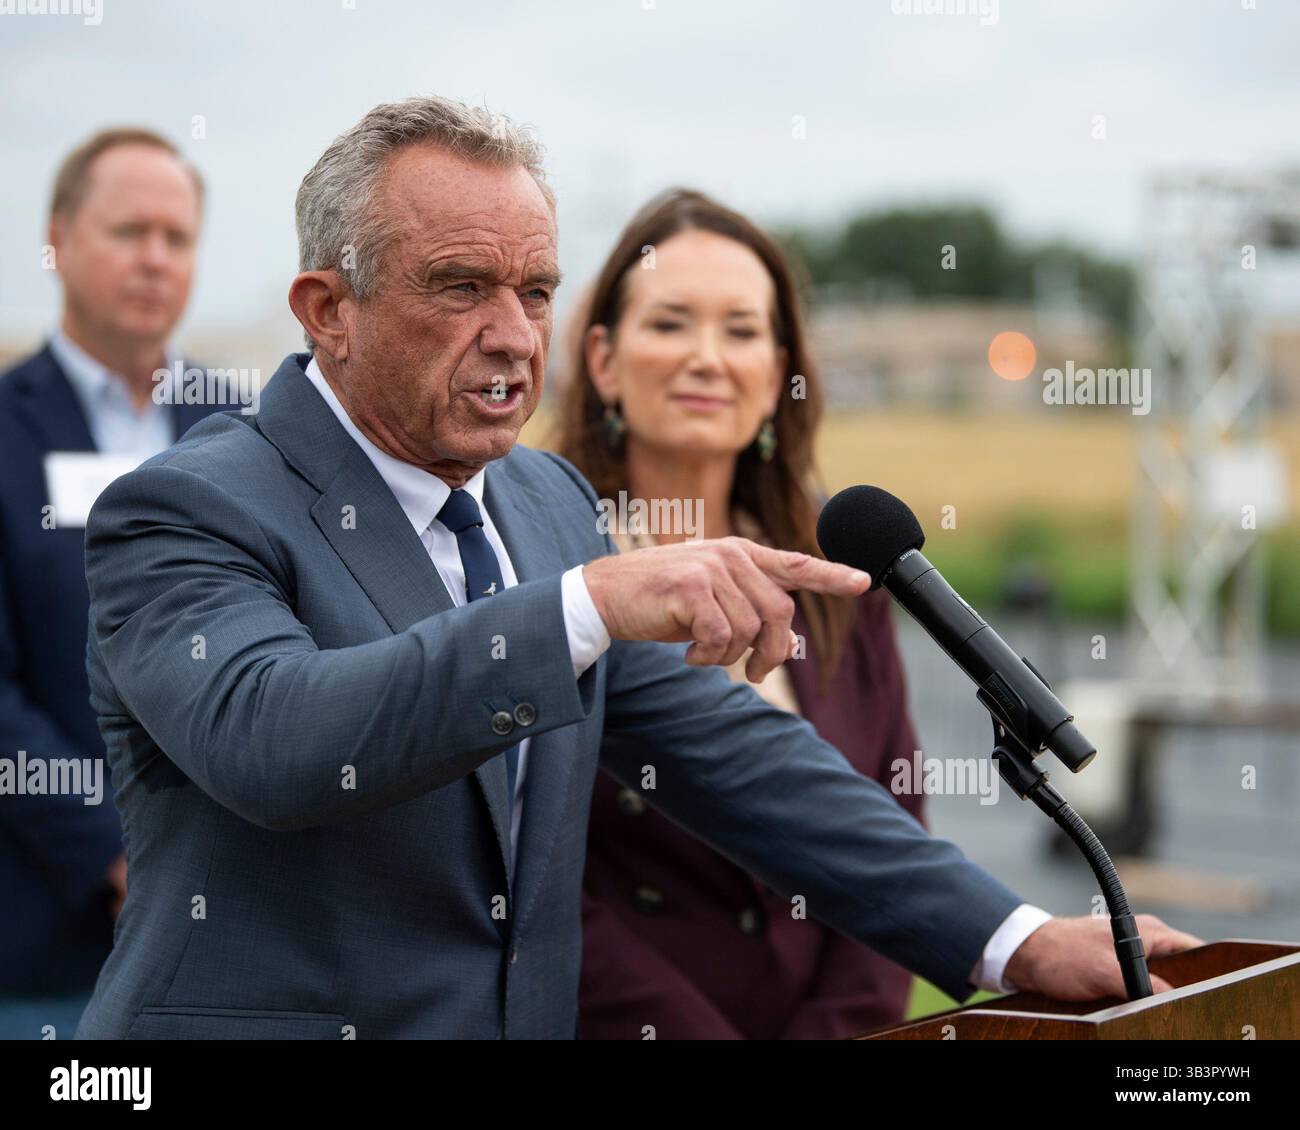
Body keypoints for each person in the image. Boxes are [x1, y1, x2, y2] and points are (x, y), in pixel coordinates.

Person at [74, 96, 1198, 1041]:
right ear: (329, 310)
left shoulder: (542, 501)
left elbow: (740, 759)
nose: (515, 335)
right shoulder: (185, 506)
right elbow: (280, 742)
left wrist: (1017, 936)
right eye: (462, 287)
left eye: (537, 291)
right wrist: (586, 601)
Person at [558, 188, 926, 1039]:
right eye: (670, 323)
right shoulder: (542, 567)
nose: (707, 358)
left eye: (741, 330)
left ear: (779, 371)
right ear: (604, 361)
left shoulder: (836, 577)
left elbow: (893, 834)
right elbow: (530, 879)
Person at [0, 128, 219, 1039]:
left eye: (177, 237)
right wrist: (116, 853)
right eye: (130, 231)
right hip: (47, 939)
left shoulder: (241, 427)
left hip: (236, 926)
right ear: (58, 240)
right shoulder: (8, 431)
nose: (155, 259)